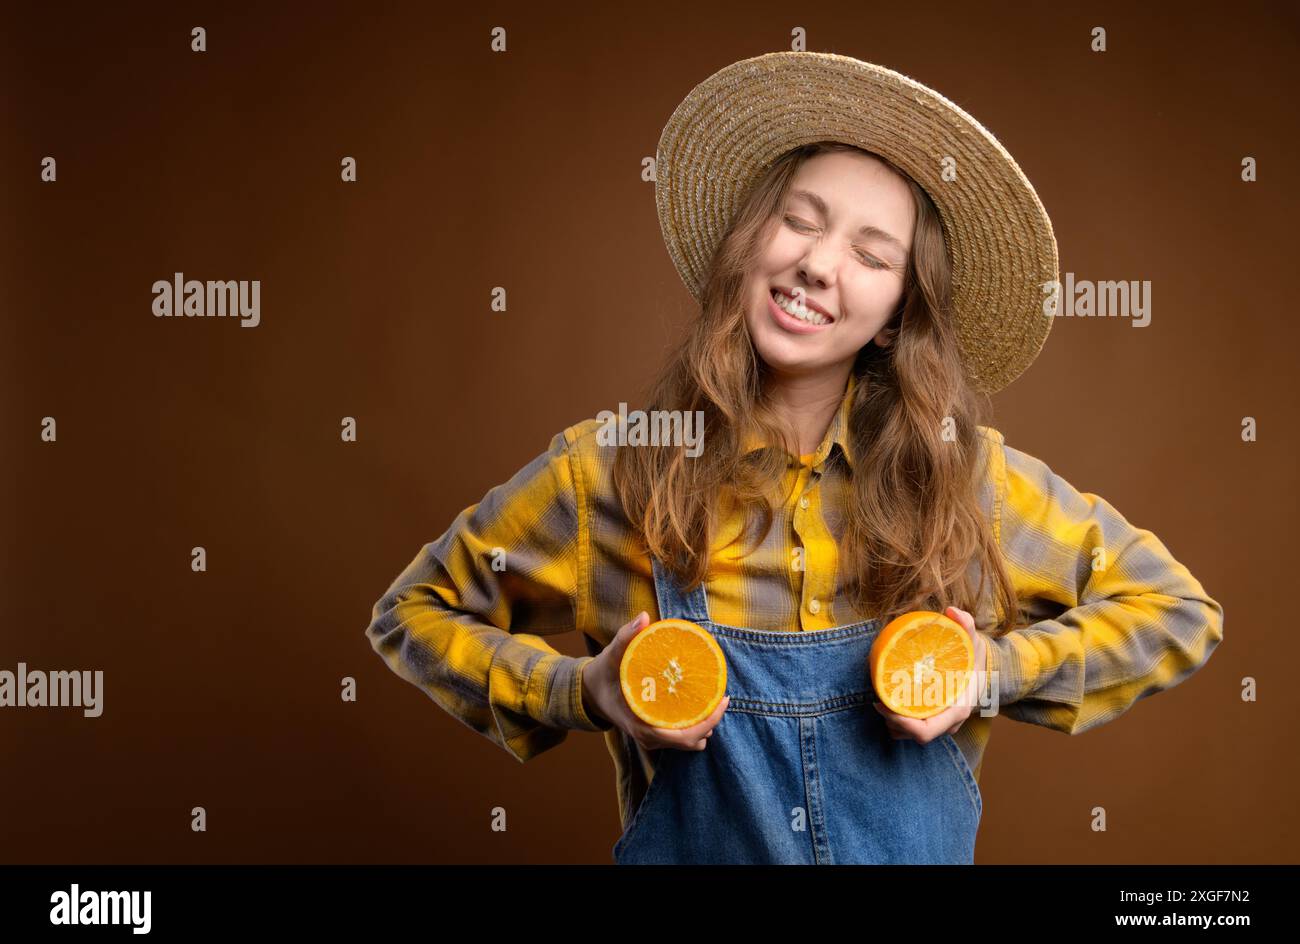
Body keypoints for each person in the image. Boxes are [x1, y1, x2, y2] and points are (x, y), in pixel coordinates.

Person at [364, 52, 1224, 864]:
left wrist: (991, 672)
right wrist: (581, 691)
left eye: (870, 254)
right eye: (799, 222)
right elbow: (414, 613)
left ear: (895, 315)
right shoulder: (613, 472)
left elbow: (1177, 611)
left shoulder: (967, 483)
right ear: (749, 245)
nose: (816, 264)